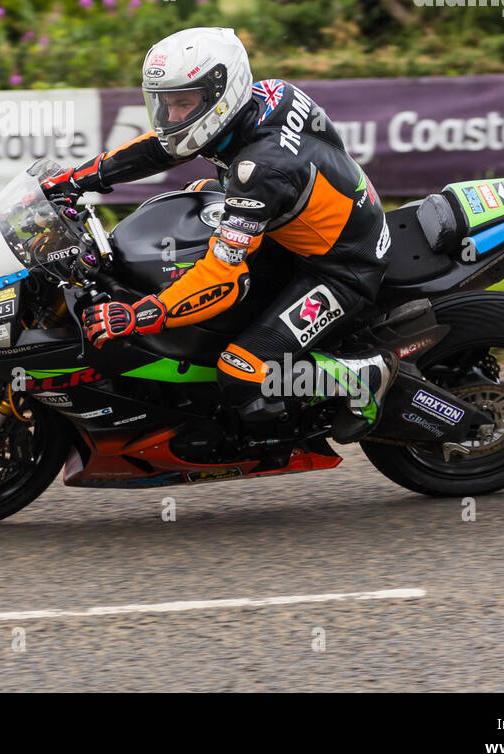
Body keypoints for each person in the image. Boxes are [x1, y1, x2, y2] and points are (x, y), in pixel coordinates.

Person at [43, 26, 395, 443]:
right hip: (296, 225)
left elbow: (223, 274)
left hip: (341, 266)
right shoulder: (265, 95)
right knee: (180, 218)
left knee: (239, 371)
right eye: (166, 104)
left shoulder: (262, 169)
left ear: (221, 94)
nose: (172, 117)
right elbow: (161, 146)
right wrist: (74, 180)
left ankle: (363, 376)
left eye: (183, 104)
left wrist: (141, 315)